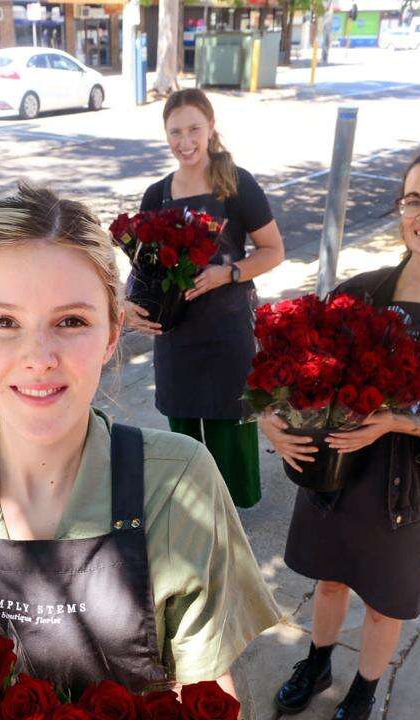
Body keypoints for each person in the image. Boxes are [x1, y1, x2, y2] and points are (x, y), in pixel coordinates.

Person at [0, 182, 280, 697]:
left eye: (71, 321)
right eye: (4, 321)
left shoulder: (178, 480)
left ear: (113, 330)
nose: (39, 356)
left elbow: (206, 694)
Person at [262, 143, 420, 720]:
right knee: (326, 583)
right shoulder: (361, 290)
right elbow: (288, 364)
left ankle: (363, 691)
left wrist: (393, 423)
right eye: (414, 199)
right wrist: (269, 418)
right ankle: (317, 662)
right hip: (335, 469)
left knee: (382, 604)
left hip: (404, 486)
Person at [125, 89, 284, 511]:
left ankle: (231, 516)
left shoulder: (236, 184)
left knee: (229, 428)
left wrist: (226, 274)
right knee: (182, 432)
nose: (185, 140)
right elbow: (143, 266)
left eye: (194, 128)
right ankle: (193, 513)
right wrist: (130, 304)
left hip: (227, 330)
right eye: (175, 132)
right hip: (177, 338)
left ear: (211, 128)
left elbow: (273, 251)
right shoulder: (156, 195)